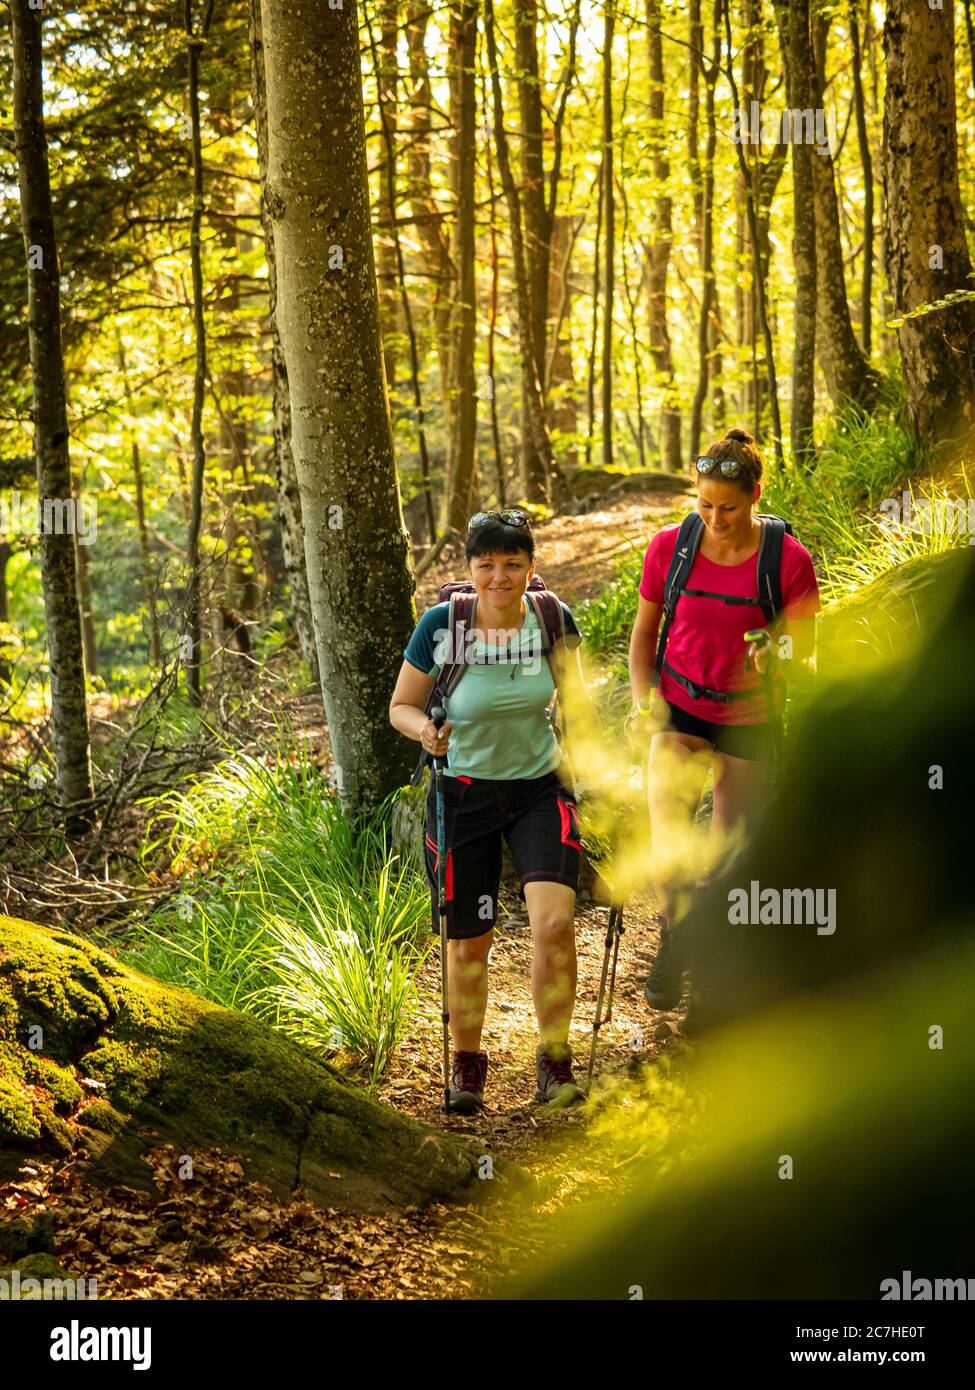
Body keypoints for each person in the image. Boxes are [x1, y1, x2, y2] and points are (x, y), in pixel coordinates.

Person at [389, 509, 586, 1113]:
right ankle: (468, 1064)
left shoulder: (552, 619)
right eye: (487, 565)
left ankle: (554, 1062)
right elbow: (400, 706)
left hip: (539, 789)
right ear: (470, 569)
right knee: (468, 943)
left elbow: (578, 708)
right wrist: (426, 731)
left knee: (553, 924)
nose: (499, 577)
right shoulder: (442, 626)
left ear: (531, 566)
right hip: (463, 794)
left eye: (512, 564)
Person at [627, 429, 820, 1010]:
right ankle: (677, 937)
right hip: (680, 706)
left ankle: (717, 974)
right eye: (704, 504)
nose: (715, 517)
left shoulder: (787, 561)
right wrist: (644, 707)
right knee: (668, 837)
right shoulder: (670, 547)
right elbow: (642, 640)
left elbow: (807, 656)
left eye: (728, 507)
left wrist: (776, 654)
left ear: (755, 494)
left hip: (749, 715)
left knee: (728, 853)